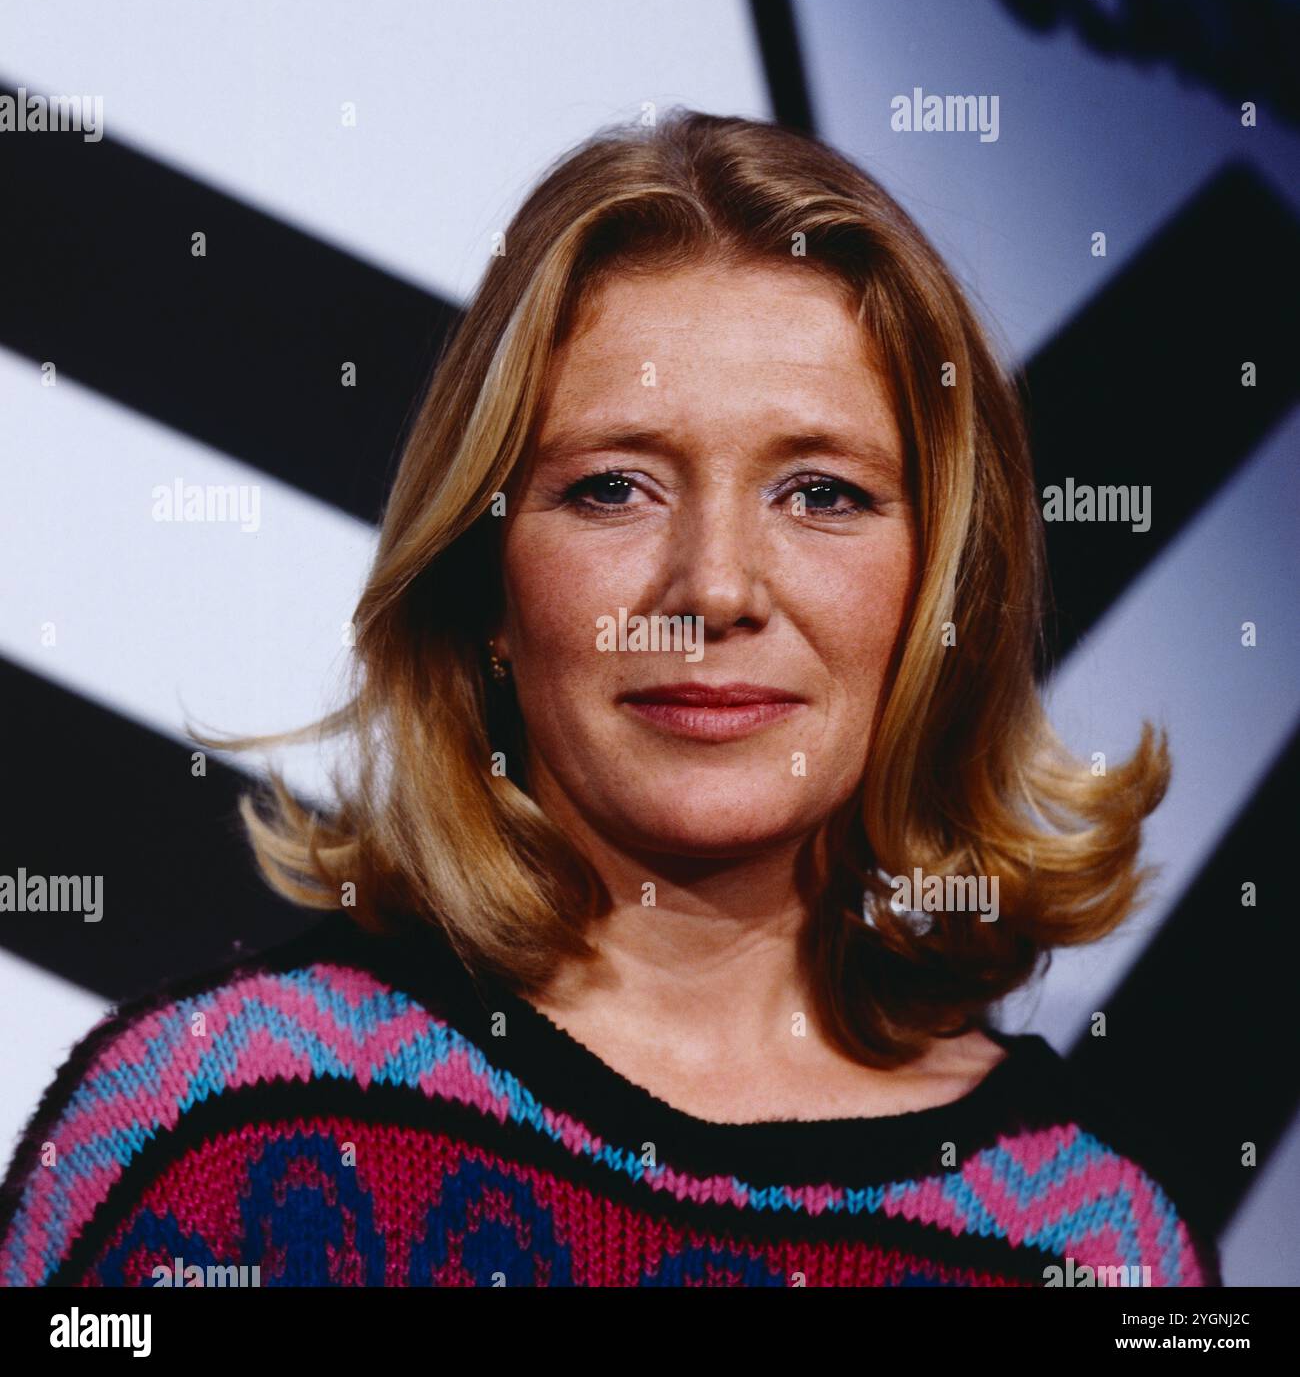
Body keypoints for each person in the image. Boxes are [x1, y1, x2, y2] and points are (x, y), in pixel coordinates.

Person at [0, 109, 1221, 1287]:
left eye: (821, 494)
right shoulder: (207, 1128)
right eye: (614, 488)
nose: (714, 587)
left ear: (942, 593)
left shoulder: (1099, 1240)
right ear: (483, 579)